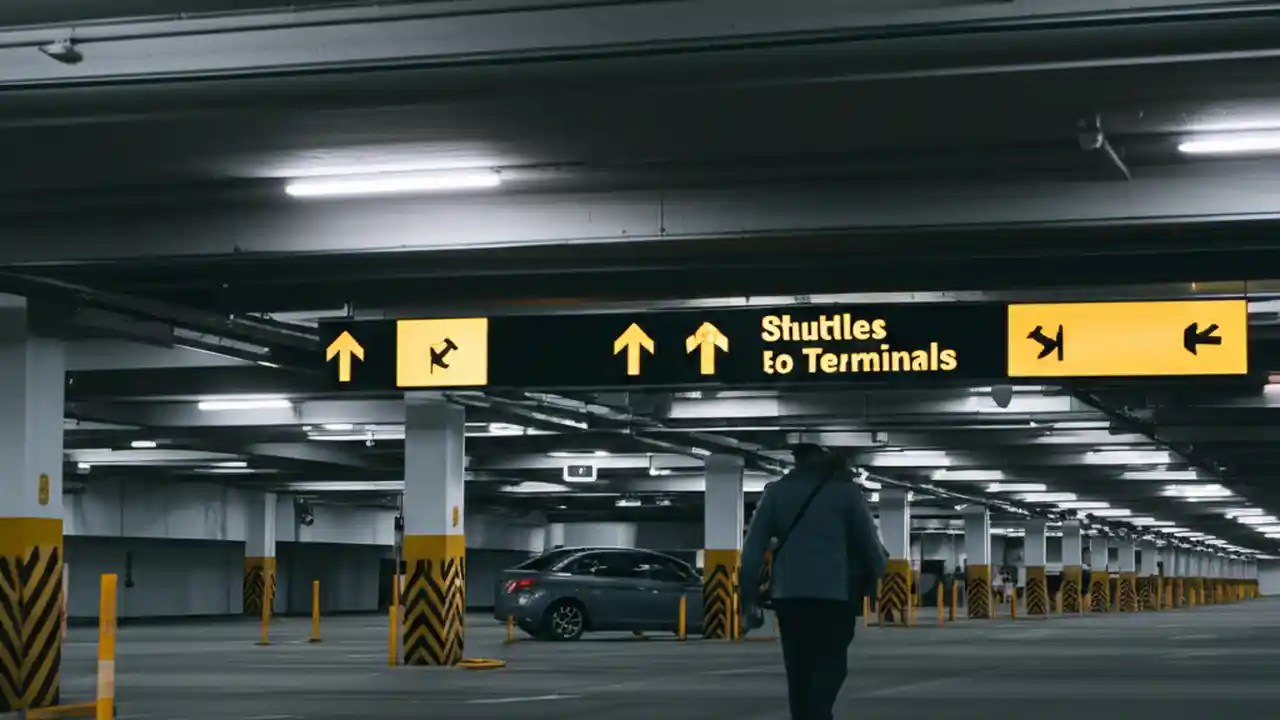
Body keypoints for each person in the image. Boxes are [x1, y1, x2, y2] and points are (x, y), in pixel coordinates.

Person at [740, 443, 888, 720]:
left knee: (798, 669)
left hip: (789, 596)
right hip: (834, 596)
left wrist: (748, 594)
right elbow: (869, 543)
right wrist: (880, 576)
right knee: (832, 662)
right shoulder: (845, 493)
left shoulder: (776, 493)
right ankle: (818, 714)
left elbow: (752, 548)